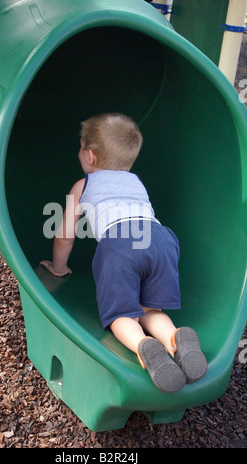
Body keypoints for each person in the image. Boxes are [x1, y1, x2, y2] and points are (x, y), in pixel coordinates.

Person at [41, 113, 207, 393]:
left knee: (122, 316)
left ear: (90, 156)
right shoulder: (136, 181)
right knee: (149, 310)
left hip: (120, 245)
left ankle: (143, 346)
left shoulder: (84, 186)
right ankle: (175, 338)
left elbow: (65, 235)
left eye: (81, 146)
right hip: (160, 239)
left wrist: (58, 268)